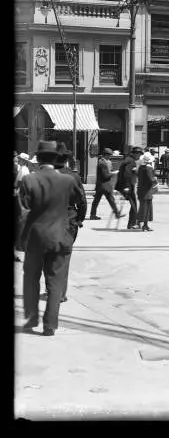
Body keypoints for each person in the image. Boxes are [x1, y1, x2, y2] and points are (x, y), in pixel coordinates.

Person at [19, 140, 82, 337]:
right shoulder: (68, 180)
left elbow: (22, 214)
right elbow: (80, 202)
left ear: (37, 160)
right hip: (60, 237)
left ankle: (31, 319)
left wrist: (21, 240)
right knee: (54, 282)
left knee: (31, 279)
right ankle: (50, 325)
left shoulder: (29, 180)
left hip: (35, 239)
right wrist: (72, 223)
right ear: (56, 159)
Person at [53, 143, 87, 304]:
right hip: (68, 220)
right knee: (64, 258)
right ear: (66, 159)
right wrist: (80, 219)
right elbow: (82, 202)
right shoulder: (74, 177)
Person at [89, 148, 124, 221]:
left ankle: (92, 215)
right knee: (111, 199)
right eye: (109, 155)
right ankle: (117, 214)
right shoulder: (102, 163)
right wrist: (113, 173)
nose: (110, 157)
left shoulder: (105, 162)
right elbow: (105, 176)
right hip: (105, 184)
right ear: (105, 155)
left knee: (96, 200)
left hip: (101, 184)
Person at [115, 147, 142, 229]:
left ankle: (132, 223)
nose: (139, 156)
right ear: (134, 153)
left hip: (127, 185)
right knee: (134, 205)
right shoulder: (131, 161)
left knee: (133, 204)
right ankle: (132, 224)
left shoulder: (128, 159)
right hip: (127, 186)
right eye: (138, 154)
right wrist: (126, 187)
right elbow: (127, 174)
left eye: (140, 154)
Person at [137, 154, 159, 231]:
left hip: (141, 189)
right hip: (147, 191)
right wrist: (155, 180)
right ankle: (145, 225)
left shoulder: (140, 168)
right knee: (147, 209)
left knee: (143, 208)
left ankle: (140, 223)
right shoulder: (148, 168)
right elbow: (151, 179)